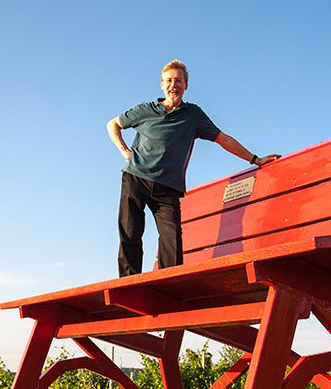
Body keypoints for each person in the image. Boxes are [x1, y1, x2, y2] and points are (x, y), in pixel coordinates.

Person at [107, 60, 280, 277]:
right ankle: (128, 284)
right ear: (161, 84)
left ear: (186, 85)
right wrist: (125, 152)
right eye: (169, 80)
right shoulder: (145, 110)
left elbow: (223, 139)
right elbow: (112, 125)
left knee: (172, 240)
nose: (173, 85)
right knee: (130, 232)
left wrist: (255, 159)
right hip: (136, 178)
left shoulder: (193, 115)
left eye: (178, 81)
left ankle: (168, 284)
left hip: (168, 187)